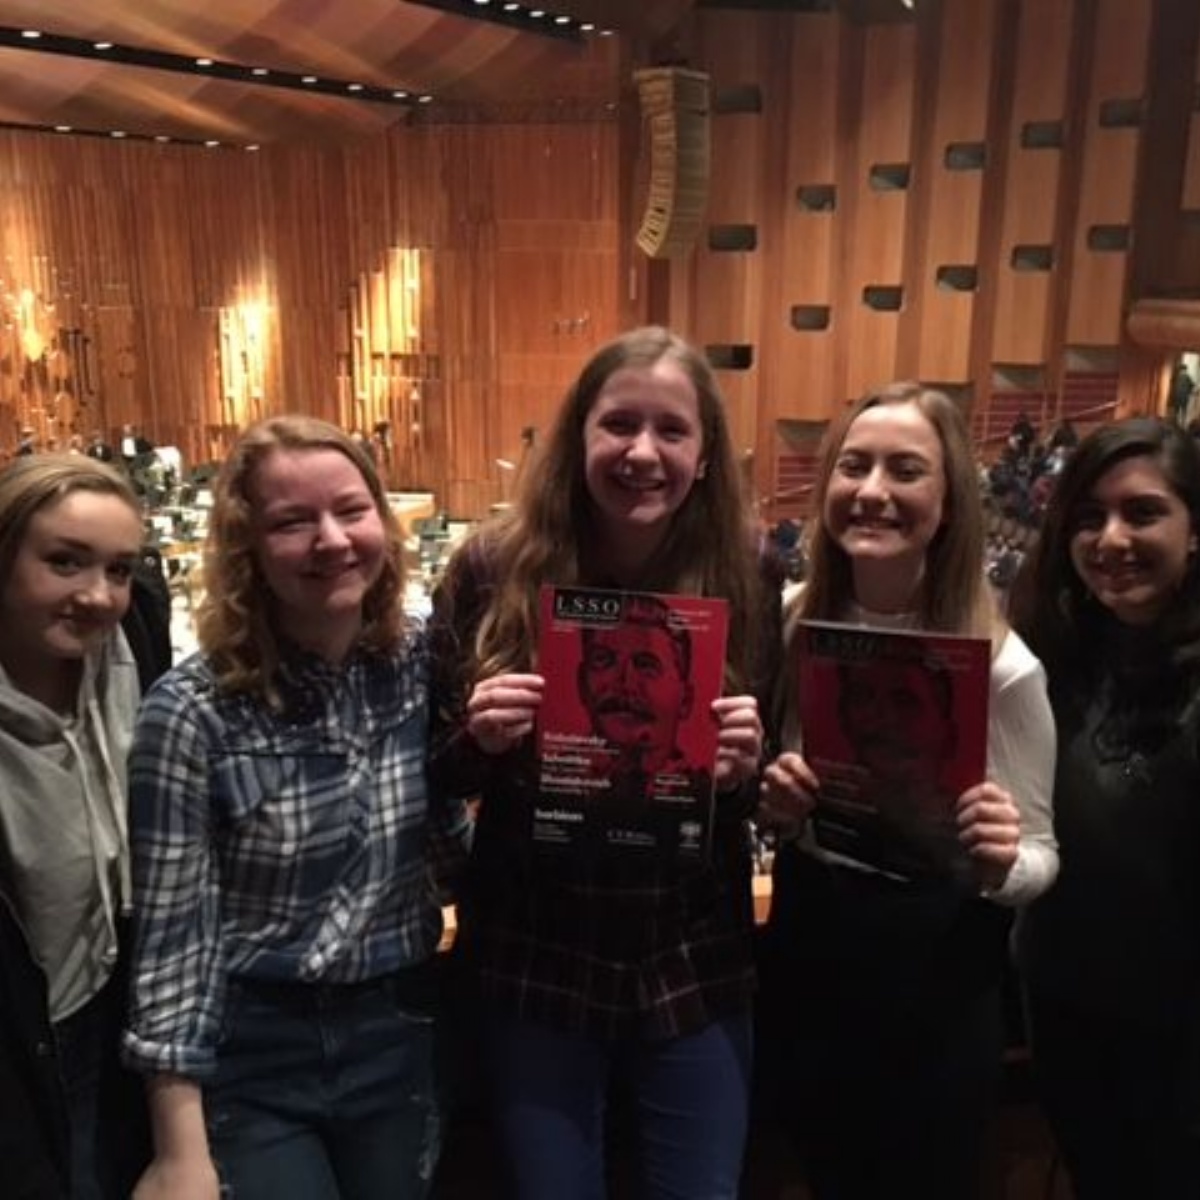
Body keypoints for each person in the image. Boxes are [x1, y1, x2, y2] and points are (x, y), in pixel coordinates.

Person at [429, 325, 777, 1199]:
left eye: (672, 430)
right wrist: (479, 738)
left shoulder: (748, 571)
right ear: (579, 436)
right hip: (537, 952)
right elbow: (432, 770)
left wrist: (742, 773)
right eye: (619, 424)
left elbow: (754, 791)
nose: (643, 452)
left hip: (693, 956)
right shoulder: (487, 568)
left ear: (705, 456)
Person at [122, 415, 471, 1200]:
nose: (332, 540)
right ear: (247, 549)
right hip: (253, 1050)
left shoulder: (421, 665)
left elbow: (447, 843)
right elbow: (175, 939)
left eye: (351, 511)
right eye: (292, 522)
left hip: (399, 1027)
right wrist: (179, 1149)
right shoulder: (190, 712)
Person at [756, 381, 1058, 1200]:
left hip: (936, 976)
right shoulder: (789, 623)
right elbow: (780, 805)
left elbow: (1041, 859)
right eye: (854, 466)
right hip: (812, 953)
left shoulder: (1003, 665)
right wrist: (776, 807)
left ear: (951, 498)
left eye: (906, 470)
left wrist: (1001, 861)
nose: (874, 491)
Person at [1008, 417, 1200, 1198]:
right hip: (1067, 1015)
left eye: (1142, 512)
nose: (1111, 538)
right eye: (1089, 518)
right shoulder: (1050, 660)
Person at [0, 455, 157, 1199]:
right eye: (64, 562)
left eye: (119, 570)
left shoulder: (134, 646)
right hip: (29, 1046)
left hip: (122, 1005)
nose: (99, 596)